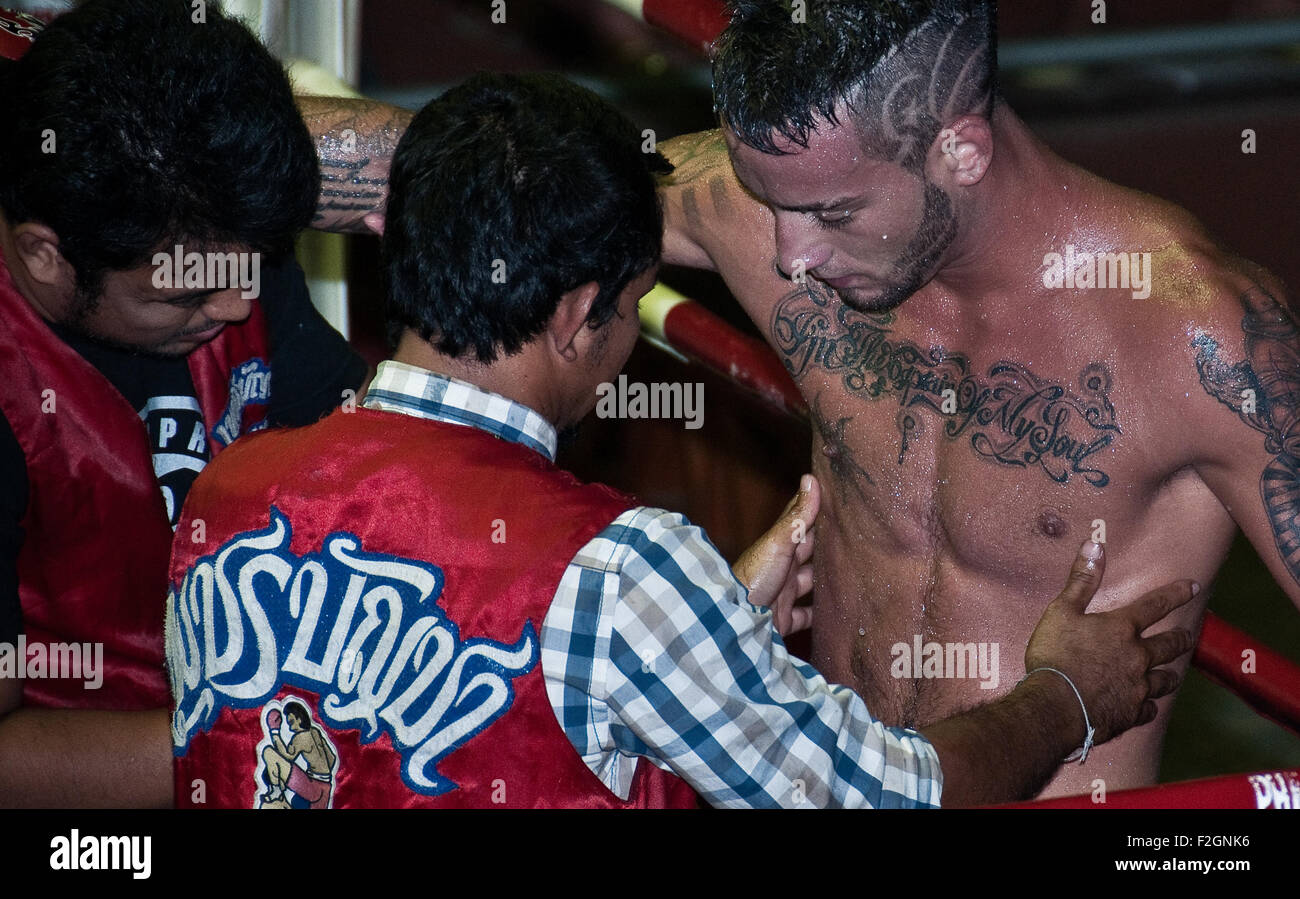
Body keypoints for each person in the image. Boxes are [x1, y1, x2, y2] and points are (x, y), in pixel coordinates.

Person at [166, 71, 1197, 809]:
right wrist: (1066, 695)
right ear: (581, 316)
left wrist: (708, 638)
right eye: (627, 314)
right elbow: (887, 798)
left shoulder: (226, 490)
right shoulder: (625, 574)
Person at [647, 0, 1300, 797]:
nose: (792, 257)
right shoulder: (782, 200)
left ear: (963, 149)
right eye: (770, 201)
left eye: (834, 213)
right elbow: (512, 214)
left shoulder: (1198, 334)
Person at [0, 0, 366, 806]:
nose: (238, 306)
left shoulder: (220, 229)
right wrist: (257, 747)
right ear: (43, 256)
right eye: (189, 293)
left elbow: (372, 463)